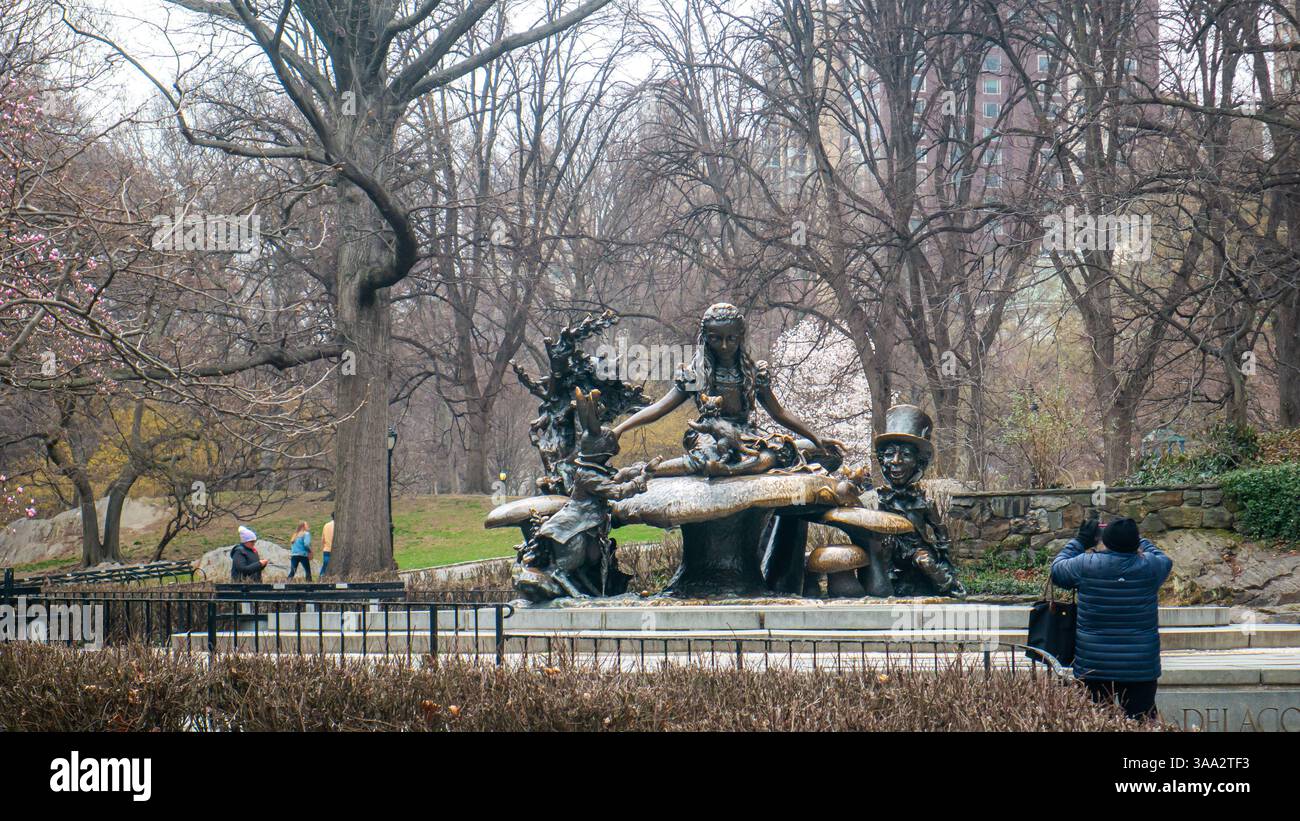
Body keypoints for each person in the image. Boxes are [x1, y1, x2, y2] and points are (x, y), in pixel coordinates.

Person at [1050, 516, 1173, 721]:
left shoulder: (1085, 565)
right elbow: (1163, 558)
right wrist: (1136, 538)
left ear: (1105, 540)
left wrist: (1080, 541)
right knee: (1141, 721)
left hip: (1094, 664)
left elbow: (1057, 570)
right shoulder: (1151, 567)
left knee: (1095, 721)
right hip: (1140, 667)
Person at [319, 513, 334, 577]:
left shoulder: (326, 525)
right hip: (336, 550)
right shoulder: (340, 526)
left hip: (327, 548)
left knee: (325, 565)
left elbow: (323, 538)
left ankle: (321, 577)